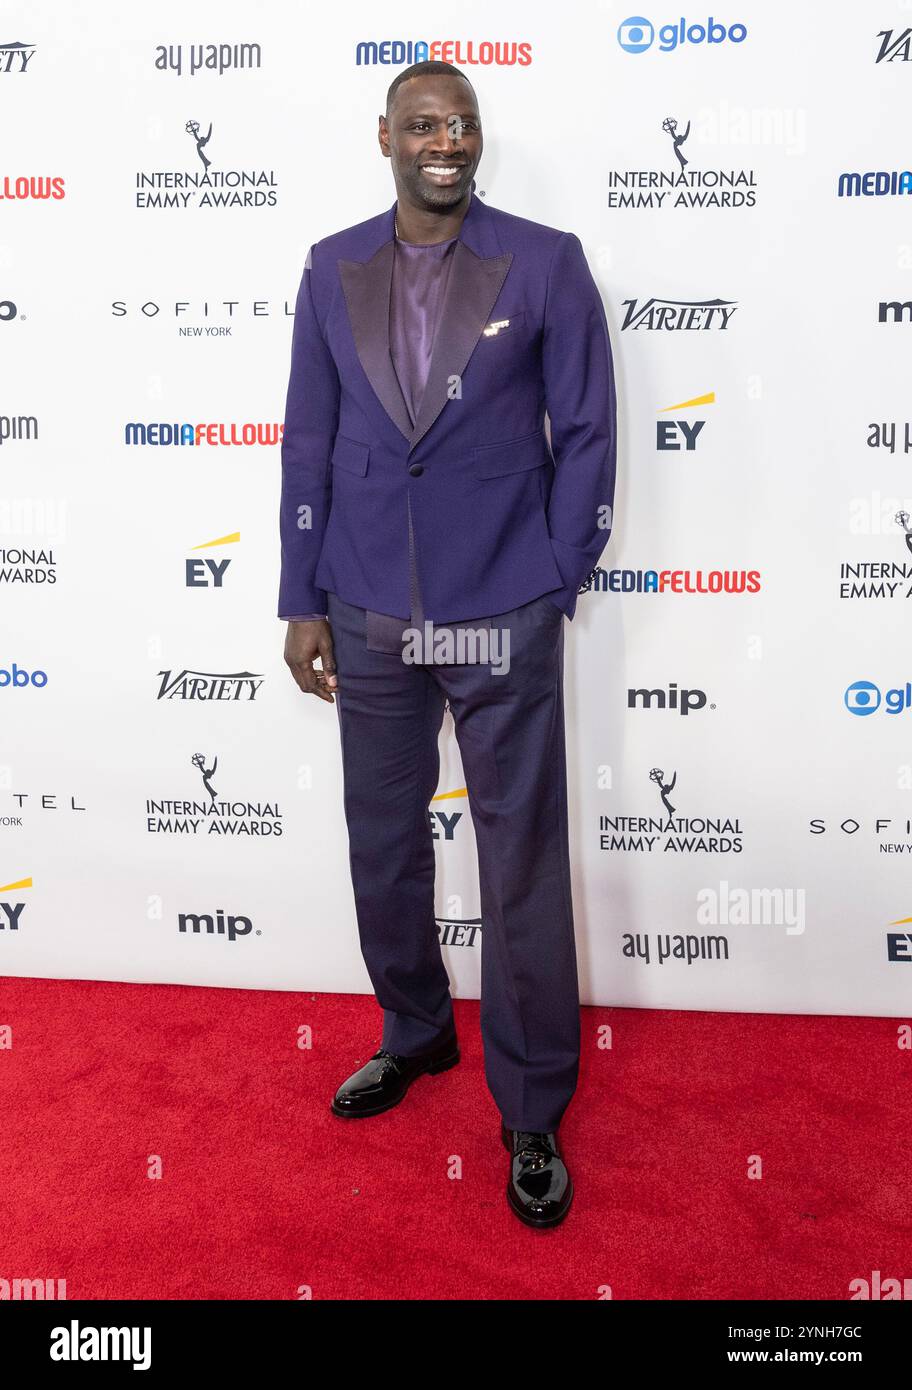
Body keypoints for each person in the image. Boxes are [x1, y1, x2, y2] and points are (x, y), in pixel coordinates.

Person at [278, 59, 617, 1228]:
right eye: (424, 123)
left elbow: (587, 430)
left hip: (502, 607)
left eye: (462, 123)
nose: (446, 139)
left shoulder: (548, 260)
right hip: (367, 606)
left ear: (481, 141)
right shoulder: (331, 267)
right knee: (384, 844)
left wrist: (553, 578)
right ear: (385, 137)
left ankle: (531, 1104)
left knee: (519, 860)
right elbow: (306, 445)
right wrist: (300, 595)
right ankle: (416, 1033)